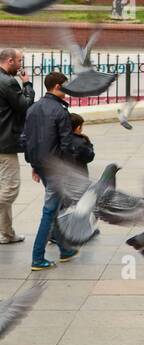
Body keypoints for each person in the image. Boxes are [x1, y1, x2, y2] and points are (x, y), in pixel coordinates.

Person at [22, 70, 80, 271]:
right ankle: (37, 258)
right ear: (57, 87)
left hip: (42, 165)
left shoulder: (33, 108)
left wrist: (33, 165)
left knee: (55, 207)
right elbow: (66, 144)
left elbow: (26, 140)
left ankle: (65, 249)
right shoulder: (60, 111)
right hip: (56, 168)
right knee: (49, 211)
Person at [0, 47, 35, 245]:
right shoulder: (7, 81)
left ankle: (6, 234)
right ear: (10, 61)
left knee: (3, 188)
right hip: (5, 144)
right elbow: (26, 106)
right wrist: (27, 84)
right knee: (10, 189)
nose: (21, 65)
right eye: (20, 61)